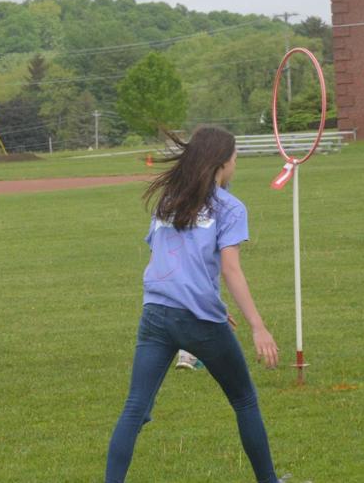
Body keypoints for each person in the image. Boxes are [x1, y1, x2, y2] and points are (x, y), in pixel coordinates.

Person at [106, 126, 281, 483]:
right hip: (199, 321)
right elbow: (231, 269)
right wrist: (258, 326)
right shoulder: (230, 207)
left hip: (156, 313)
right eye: (234, 158)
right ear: (222, 162)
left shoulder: (169, 198)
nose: (236, 164)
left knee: (135, 407)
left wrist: (206, 298)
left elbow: (165, 257)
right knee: (245, 401)